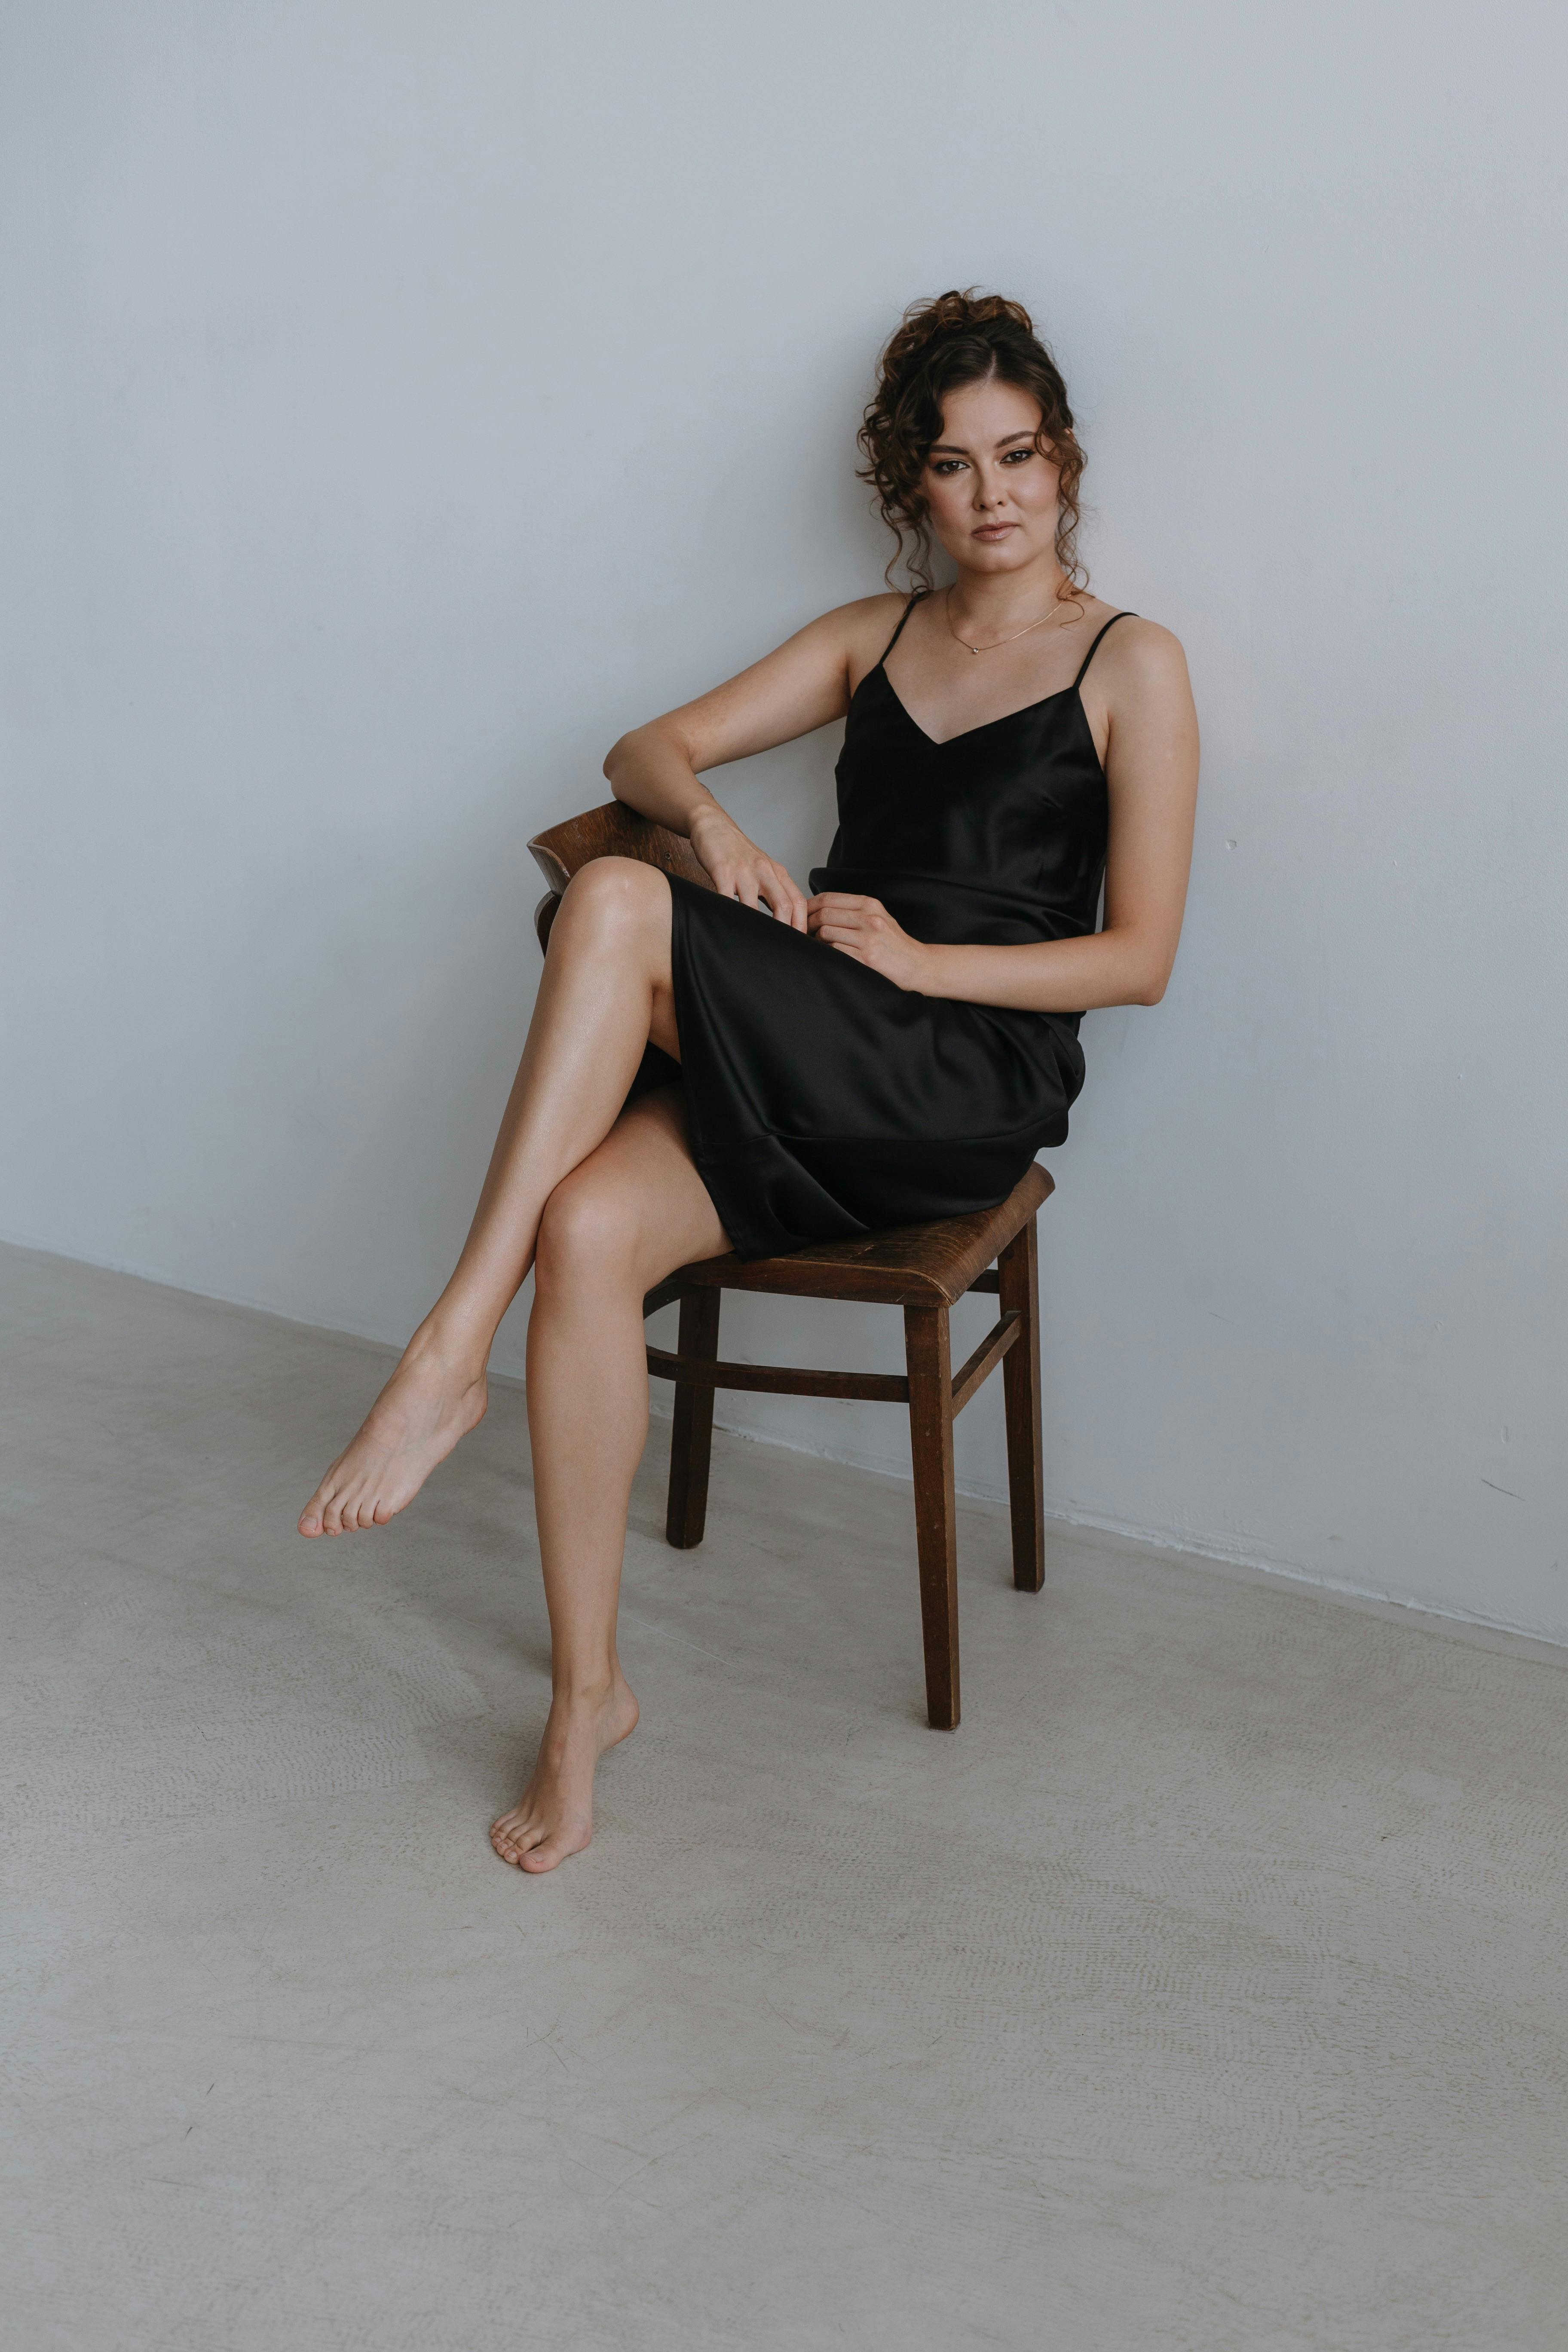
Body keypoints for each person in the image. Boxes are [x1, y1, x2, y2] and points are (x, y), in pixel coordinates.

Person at [297, 289, 1200, 1873]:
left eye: (1021, 455)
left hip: (960, 1074)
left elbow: (1139, 960)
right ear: (906, 488)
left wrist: (925, 962)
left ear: (1064, 463)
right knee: (588, 1223)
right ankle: (588, 1703)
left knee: (616, 902)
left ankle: (448, 1345)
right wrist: (717, 830)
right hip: (814, 1041)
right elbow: (642, 751)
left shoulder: (1133, 663)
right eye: (953, 464)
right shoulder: (876, 637)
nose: (993, 494)